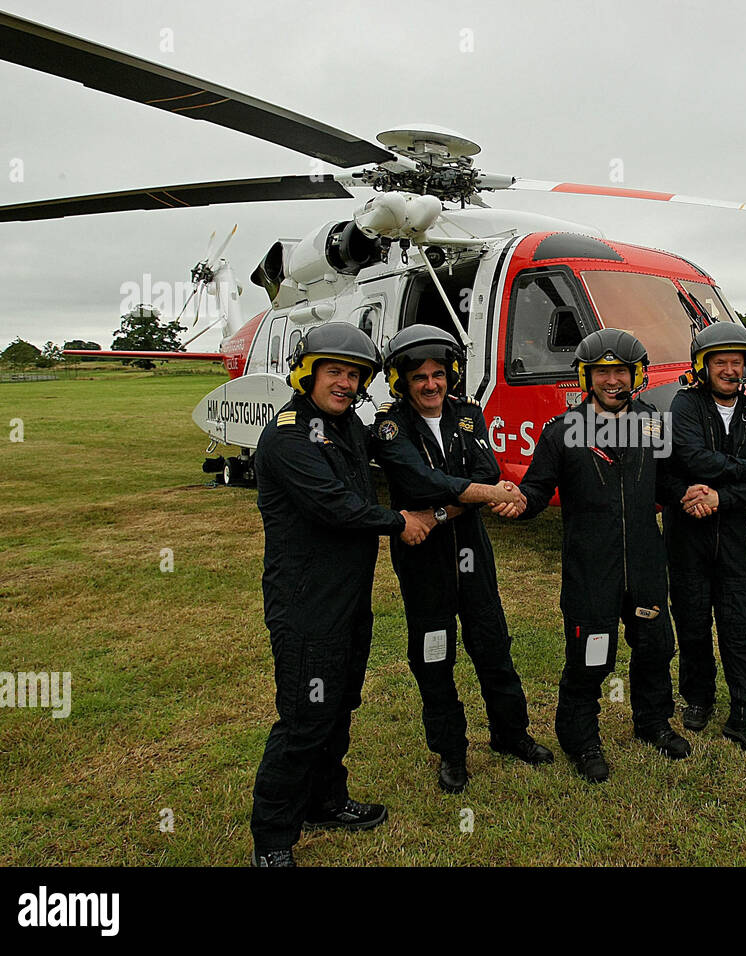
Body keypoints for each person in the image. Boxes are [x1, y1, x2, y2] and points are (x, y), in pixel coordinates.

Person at [250, 323, 426, 868]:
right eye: (335, 372)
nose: (346, 383)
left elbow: (394, 454)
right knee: (304, 718)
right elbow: (335, 506)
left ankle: (325, 800)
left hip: (348, 597)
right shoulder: (289, 436)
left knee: (339, 704)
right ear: (308, 373)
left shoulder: (347, 425)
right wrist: (401, 521)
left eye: (354, 374)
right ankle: (274, 840)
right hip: (306, 602)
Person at [371, 325, 552, 795]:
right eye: (419, 378)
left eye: (438, 374)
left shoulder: (468, 416)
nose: (431, 385)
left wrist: (435, 513)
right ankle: (451, 753)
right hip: (422, 562)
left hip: (472, 552)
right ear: (402, 383)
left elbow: (485, 470)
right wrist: (481, 494)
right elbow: (419, 478)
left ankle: (511, 735)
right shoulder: (390, 428)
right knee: (435, 657)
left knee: (493, 646)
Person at [517, 328, 689, 783]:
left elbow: (666, 483)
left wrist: (692, 492)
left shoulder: (652, 422)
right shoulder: (562, 431)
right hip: (590, 570)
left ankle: (653, 723)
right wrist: (514, 501)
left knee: (656, 648)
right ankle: (582, 741)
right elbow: (535, 490)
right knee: (591, 658)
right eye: (602, 372)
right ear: (586, 376)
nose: (612, 380)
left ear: (636, 375)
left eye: (620, 371)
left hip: (646, 565)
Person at [664, 322, 746, 756]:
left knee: (737, 625)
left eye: (737, 362)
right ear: (703, 365)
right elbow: (689, 457)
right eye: (720, 362)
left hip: (730, 529)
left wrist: (720, 495)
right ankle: (698, 697)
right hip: (686, 530)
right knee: (692, 620)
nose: (729, 370)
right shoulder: (684, 405)